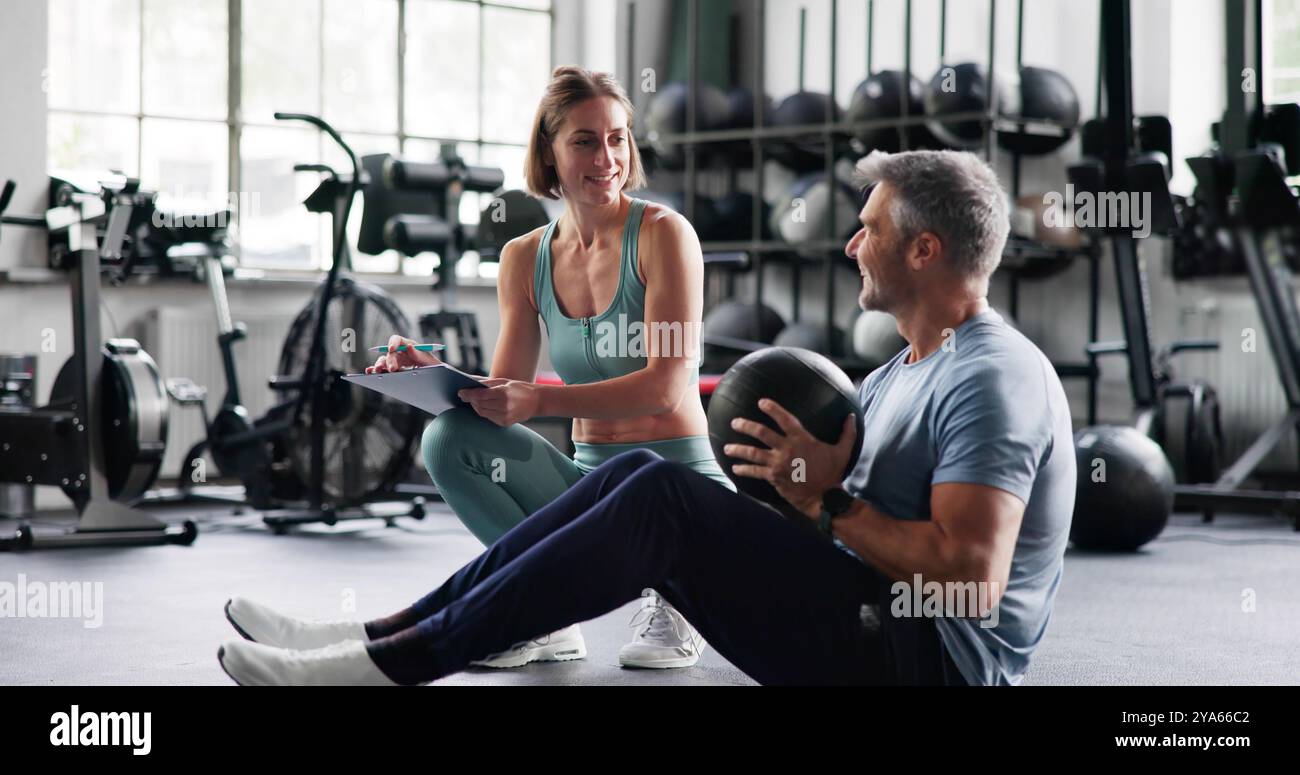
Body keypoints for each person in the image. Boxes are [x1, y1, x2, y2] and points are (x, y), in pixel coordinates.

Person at [218, 149, 1075, 687]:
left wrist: (824, 503)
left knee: (660, 498)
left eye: (870, 229)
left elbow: (972, 573)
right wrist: (791, 490)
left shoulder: (993, 377)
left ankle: (391, 664)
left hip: (928, 663)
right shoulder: (896, 373)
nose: (851, 244)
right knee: (637, 475)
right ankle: (379, 633)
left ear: (925, 250)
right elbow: (840, 525)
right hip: (865, 613)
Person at [227, 66, 730, 670]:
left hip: (676, 493)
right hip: (586, 489)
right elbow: (500, 396)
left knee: (648, 526)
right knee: (450, 437)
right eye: (584, 140)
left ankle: (671, 599)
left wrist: (538, 401)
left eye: (618, 138)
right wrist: (428, 371)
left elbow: (667, 386)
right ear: (548, 150)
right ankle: (546, 619)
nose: (607, 156)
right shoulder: (525, 258)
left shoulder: (665, 235)